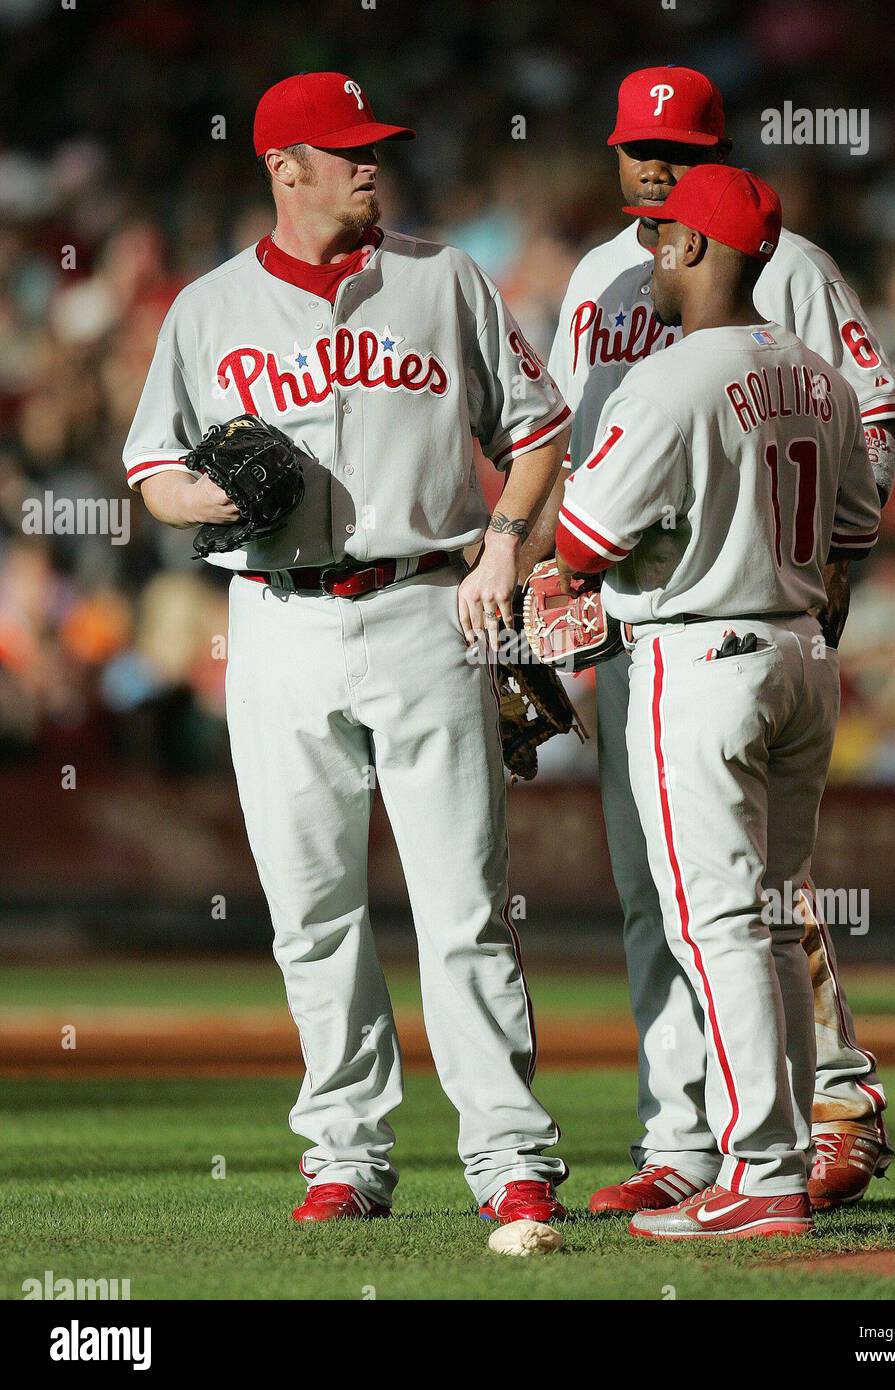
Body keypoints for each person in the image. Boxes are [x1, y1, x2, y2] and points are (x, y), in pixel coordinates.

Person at [124, 72, 572, 1226]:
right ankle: (345, 1158)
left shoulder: (443, 279)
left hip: (429, 602)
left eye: (377, 147)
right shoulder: (207, 308)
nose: (374, 163)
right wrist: (205, 503)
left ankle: (510, 1158)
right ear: (286, 168)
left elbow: (536, 433)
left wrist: (503, 551)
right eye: (348, 149)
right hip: (276, 621)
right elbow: (151, 473)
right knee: (311, 907)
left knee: (463, 902)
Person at [522, 67, 895, 1213]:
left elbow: (873, 415)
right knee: (662, 894)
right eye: (637, 144)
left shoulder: (783, 264)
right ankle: (681, 1134)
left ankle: (826, 1110)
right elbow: (570, 436)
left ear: (717, 158)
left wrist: (818, 573)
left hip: (720, 618)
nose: (654, 164)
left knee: (743, 903)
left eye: (677, 149)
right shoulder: (597, 277)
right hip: (652, 621)